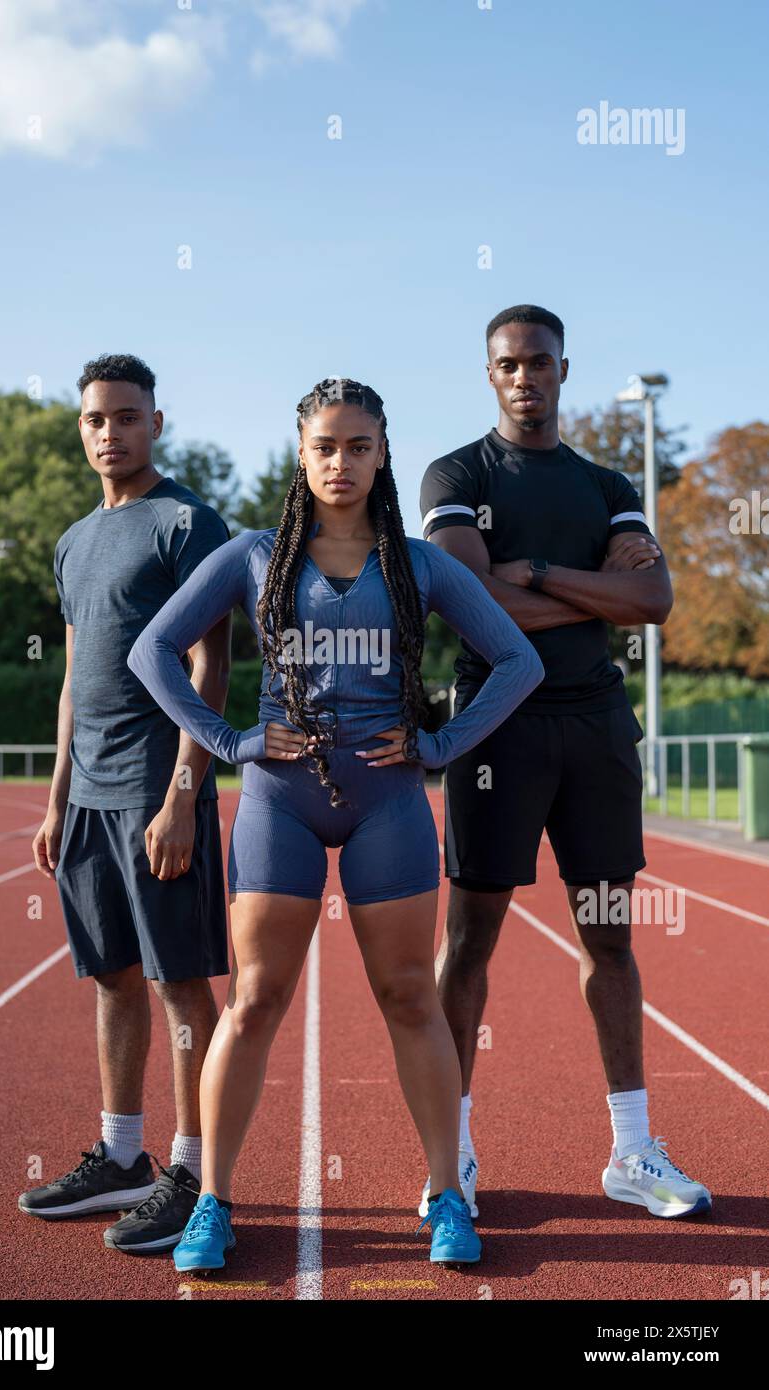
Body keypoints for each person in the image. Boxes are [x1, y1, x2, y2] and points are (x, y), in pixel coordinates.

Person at [128, 376, 544, 1271]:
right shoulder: (250, 556)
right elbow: (150, 649)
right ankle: (213, 1203)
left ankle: (445, 1193)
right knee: (253, 1000)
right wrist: (227, 738)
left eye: (359, 445)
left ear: (383, 452)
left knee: (408, 995)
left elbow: (518, 660)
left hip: (388, 801)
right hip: (281, 798)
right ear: (301, 454)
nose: (341, 461)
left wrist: (442, 744)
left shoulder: (422, 564)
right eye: (325, 445)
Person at [418, 305, 712, 1221]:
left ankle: (631, 1152)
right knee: (469, 944)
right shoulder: (456, 473)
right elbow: (465, 603)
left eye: (538, 362)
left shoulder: (606, 482)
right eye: (507, 364)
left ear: (563, 369)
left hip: (595, 734)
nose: (523, 377)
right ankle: (451, 1155)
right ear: (490, 374)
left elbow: (656, 598)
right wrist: (596, 594)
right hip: (496, 733)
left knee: (610, 937)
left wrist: (533, 574)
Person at [19, 354, 233, 1254]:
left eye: (127, 417)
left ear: (156, 422)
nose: (112, 432)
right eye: (96, 420)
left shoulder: (188, 524)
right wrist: (56, 795)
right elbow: (74, 676)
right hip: (91, 798)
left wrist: (185, 794)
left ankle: (194, 1172)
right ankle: (122, 1156)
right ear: (82, 429)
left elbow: (210, 665)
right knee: (111, 979)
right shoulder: (73, 541)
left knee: (181, 984)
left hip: (158, 790)